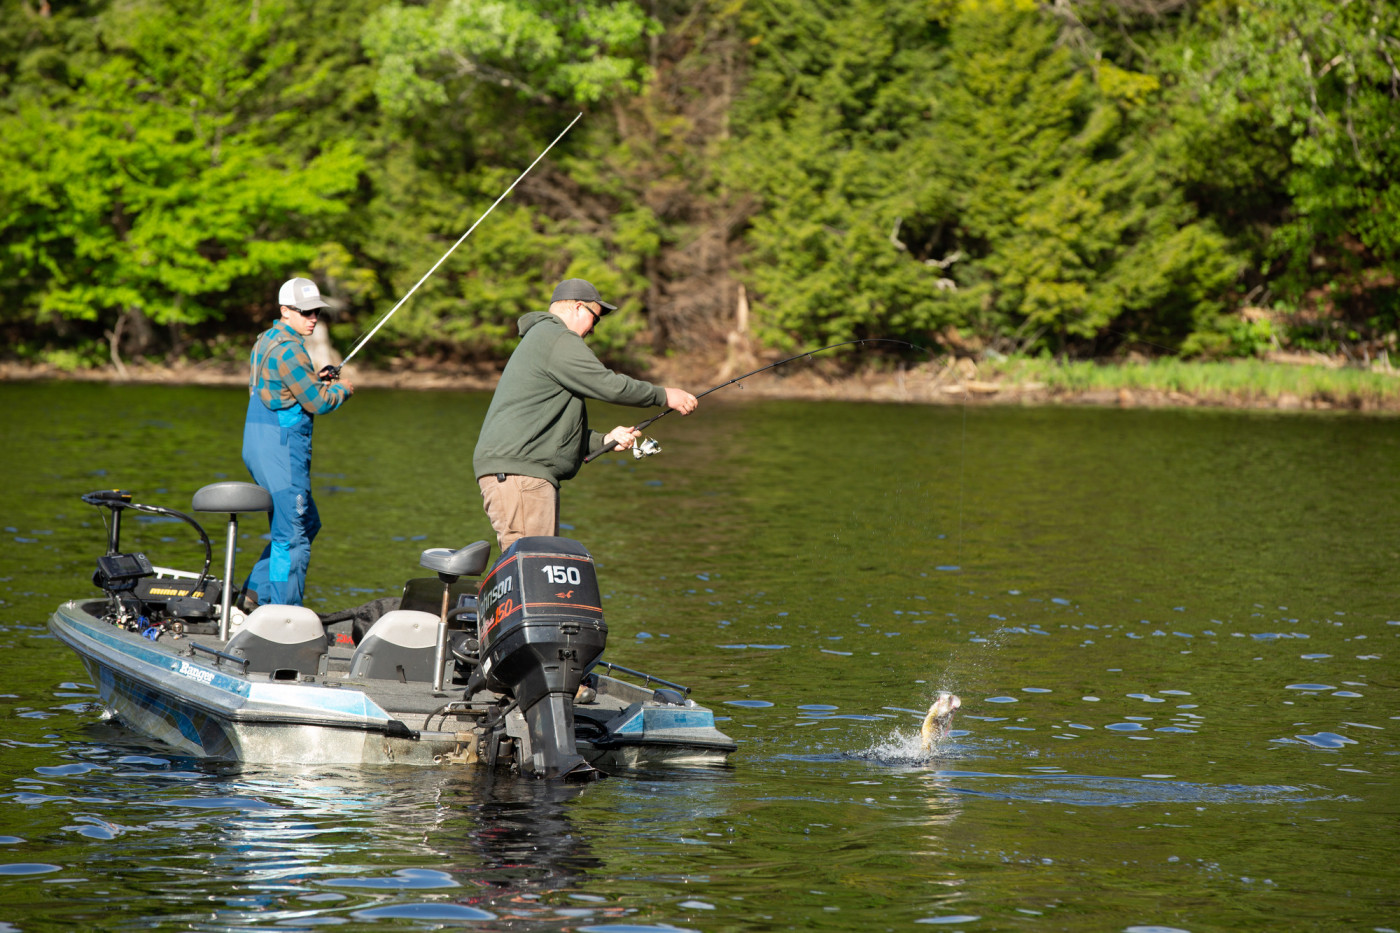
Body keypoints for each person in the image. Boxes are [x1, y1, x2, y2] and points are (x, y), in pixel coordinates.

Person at [473, 278, 697, 552]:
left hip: (518, 474)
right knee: (534, 567)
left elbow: (549, 429)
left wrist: (604, 441)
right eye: (595, 319)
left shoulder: (543, 340)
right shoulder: (556, 337)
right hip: (522, 476)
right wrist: (664, 396)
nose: (593, 330)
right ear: (578, 307)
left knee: (533, 568)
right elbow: (607, 385)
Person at [241, 277, 355, 607]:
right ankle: (282, 616)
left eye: (316, 311)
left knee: (305, 523)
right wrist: (343, 389)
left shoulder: (268, 339)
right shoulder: (291, 350)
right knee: (292, 538)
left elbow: (284, 388)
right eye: (305, 312)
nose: (313, 318)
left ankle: (253, 594)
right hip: (281, 450)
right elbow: (319, 403)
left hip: (258, 447)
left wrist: (316, 381)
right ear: (285, 310)